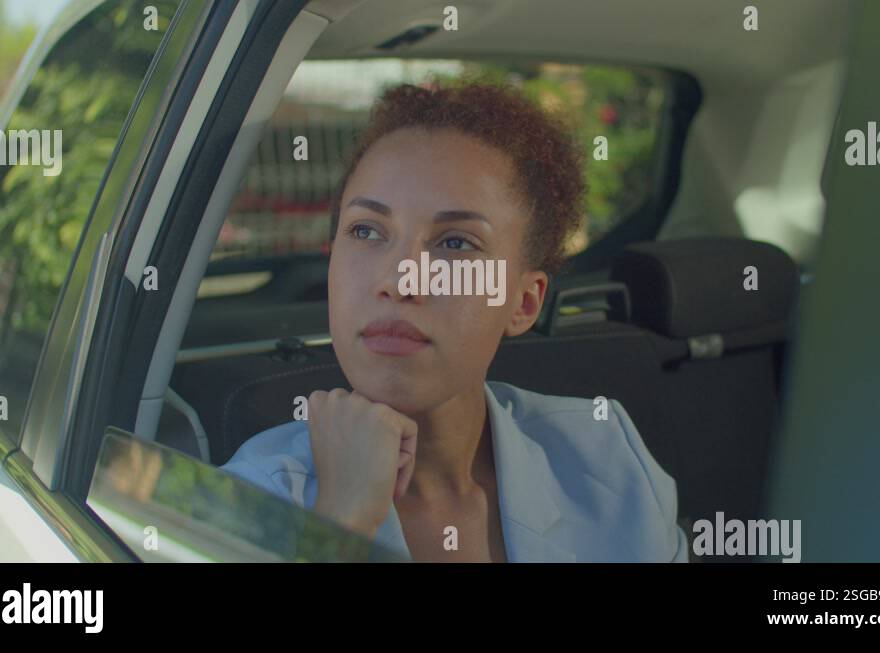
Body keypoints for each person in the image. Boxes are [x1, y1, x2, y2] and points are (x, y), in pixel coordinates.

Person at [221, 81, 688, 562]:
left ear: (524, 303)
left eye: (456, 244)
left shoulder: (608, 462)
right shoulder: (249, 498)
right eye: (366, 230)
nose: (400, 281)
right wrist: (342, 521)